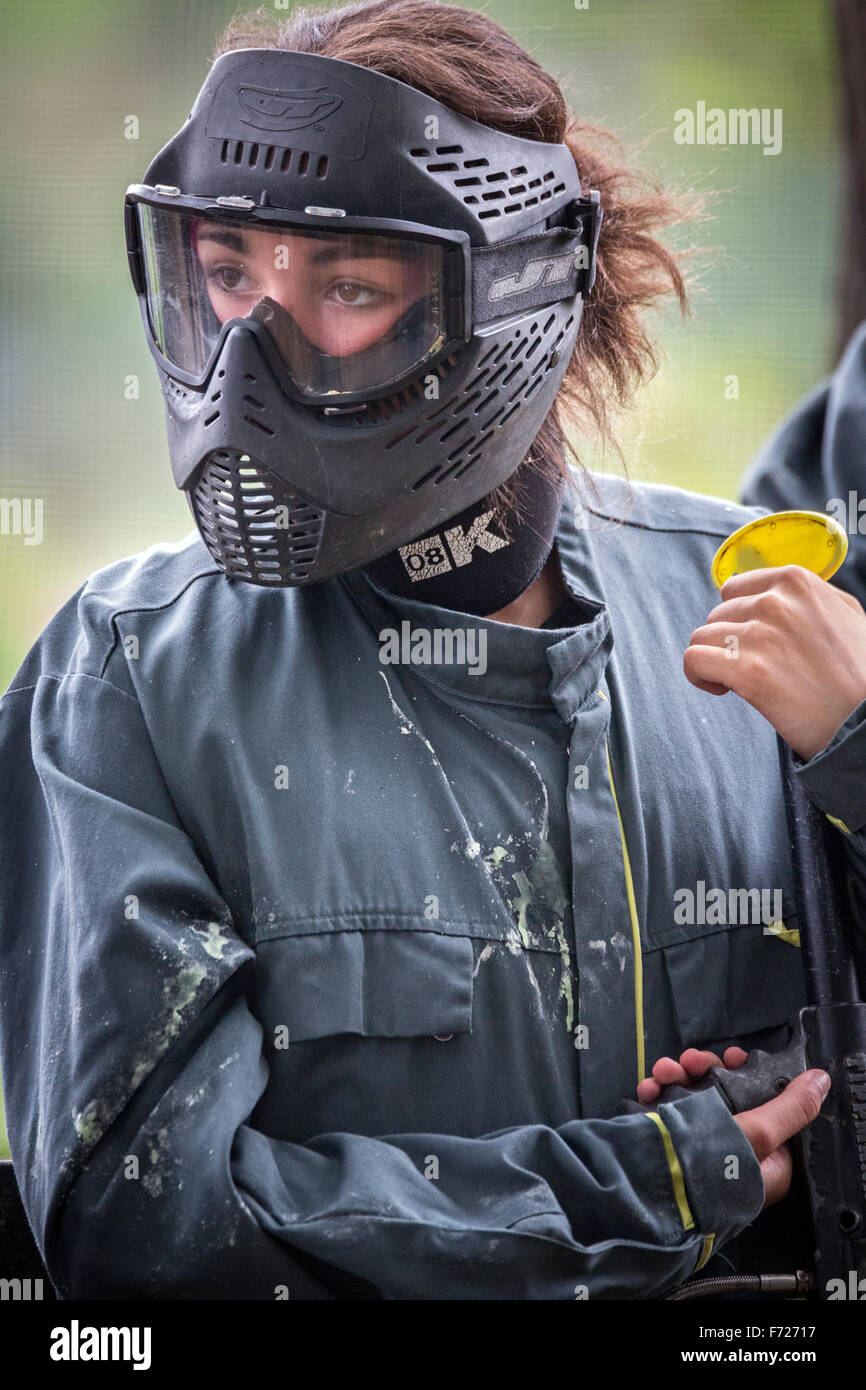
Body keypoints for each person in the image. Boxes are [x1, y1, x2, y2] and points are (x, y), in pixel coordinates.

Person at [0, 0, 864, 1301]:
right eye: (228, 273)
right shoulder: (126, 679)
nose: (249, 362)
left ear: (523, 298)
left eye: (346, 287)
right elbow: (148, 1240)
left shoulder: (770, 612)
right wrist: (654, 1179)